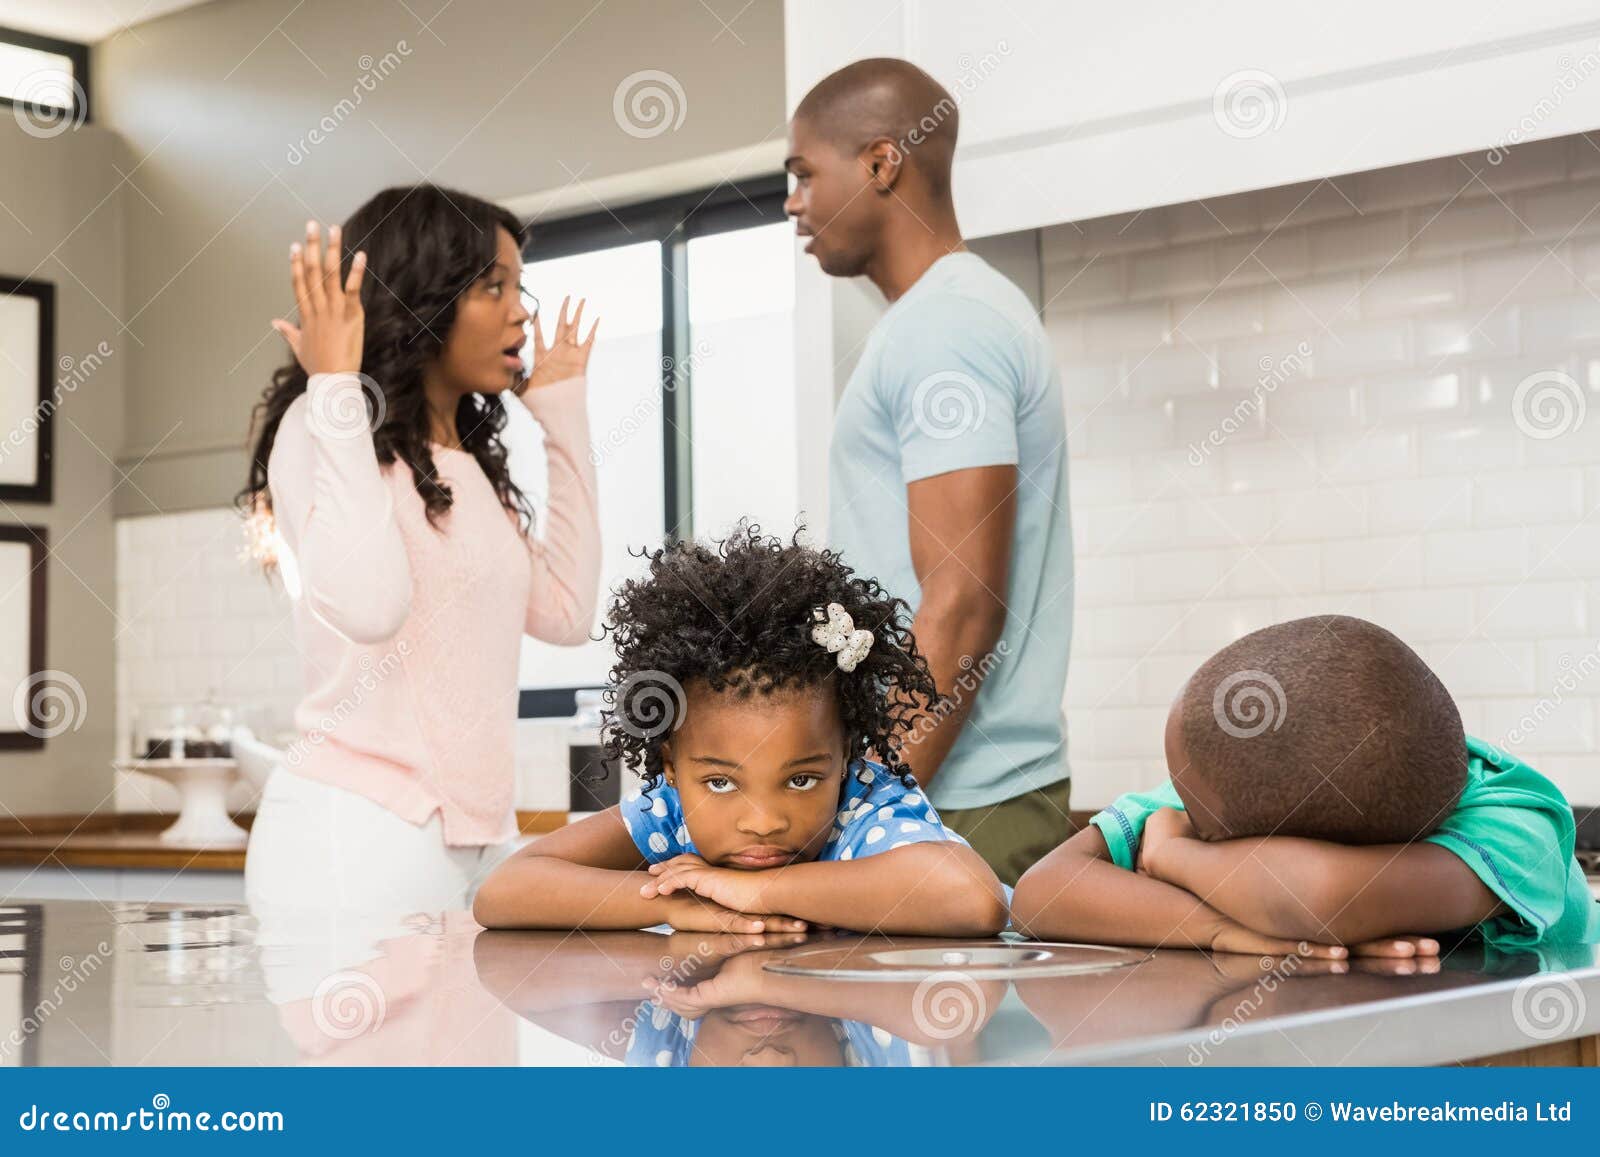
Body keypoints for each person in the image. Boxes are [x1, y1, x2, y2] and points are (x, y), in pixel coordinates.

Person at [239, 184, 601, 917]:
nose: (521, 311)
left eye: (520, 287)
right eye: (493, 286)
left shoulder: (469, 467)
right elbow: (371, 606)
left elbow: (567, 613)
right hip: (356, 835)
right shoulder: (320, 424)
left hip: (475, 837)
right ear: (423, 297)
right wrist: (336, 385)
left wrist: (562, 416)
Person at [785, 58, 1073, 886]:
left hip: (953, 805)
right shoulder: (946, 316)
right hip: (951, 798)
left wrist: (863, 806)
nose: (793, 203)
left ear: (883, 162)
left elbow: (962, 603)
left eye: (805, 174)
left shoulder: (945, 326)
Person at [472, 523, 1008, 936]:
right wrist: (679, 906)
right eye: (722, 783)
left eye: (801, 780)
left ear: (846, 755)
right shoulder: (670, 809)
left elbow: (974, 899)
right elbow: (504, 890)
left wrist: (759, 889)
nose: (764, 822)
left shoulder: (865, 806)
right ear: (671, 766)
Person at [1012, 615, 1600, 957]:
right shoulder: (1241, 785)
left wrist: (1173, 855)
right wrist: (1225, 928)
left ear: (1280, 837)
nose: (1174, 806)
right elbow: (1041, 894)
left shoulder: (1519, 824)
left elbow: (1324, 899)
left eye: (1194, 816)